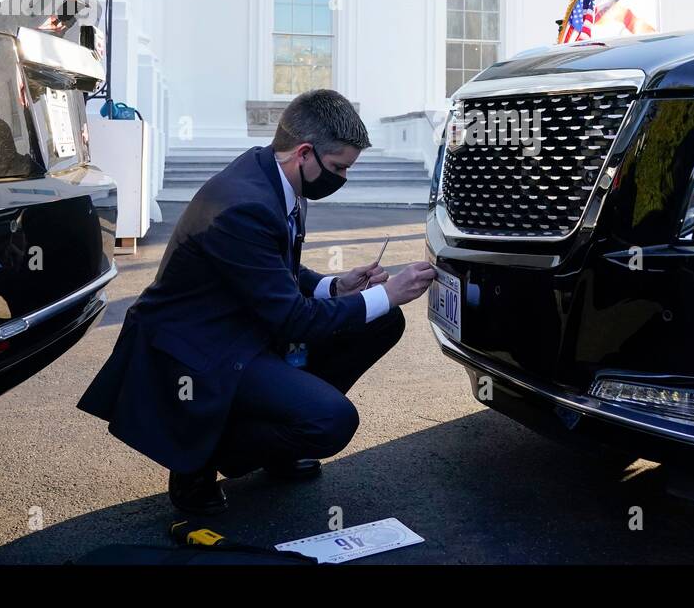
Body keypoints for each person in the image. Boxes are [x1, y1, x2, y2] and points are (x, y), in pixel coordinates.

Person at [76, 89, 436, 514]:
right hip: (197, 351)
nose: (343, 179)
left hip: (243, 327)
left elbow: (275, 268)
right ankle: (199, 457)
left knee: (382, 320)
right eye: (339, 168)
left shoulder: (275, 175)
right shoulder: (243, 205)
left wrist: (334, 287)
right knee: (333, 420)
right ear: (304, 153)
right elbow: (292, 321)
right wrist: (387, 293)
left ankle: (279, 438)